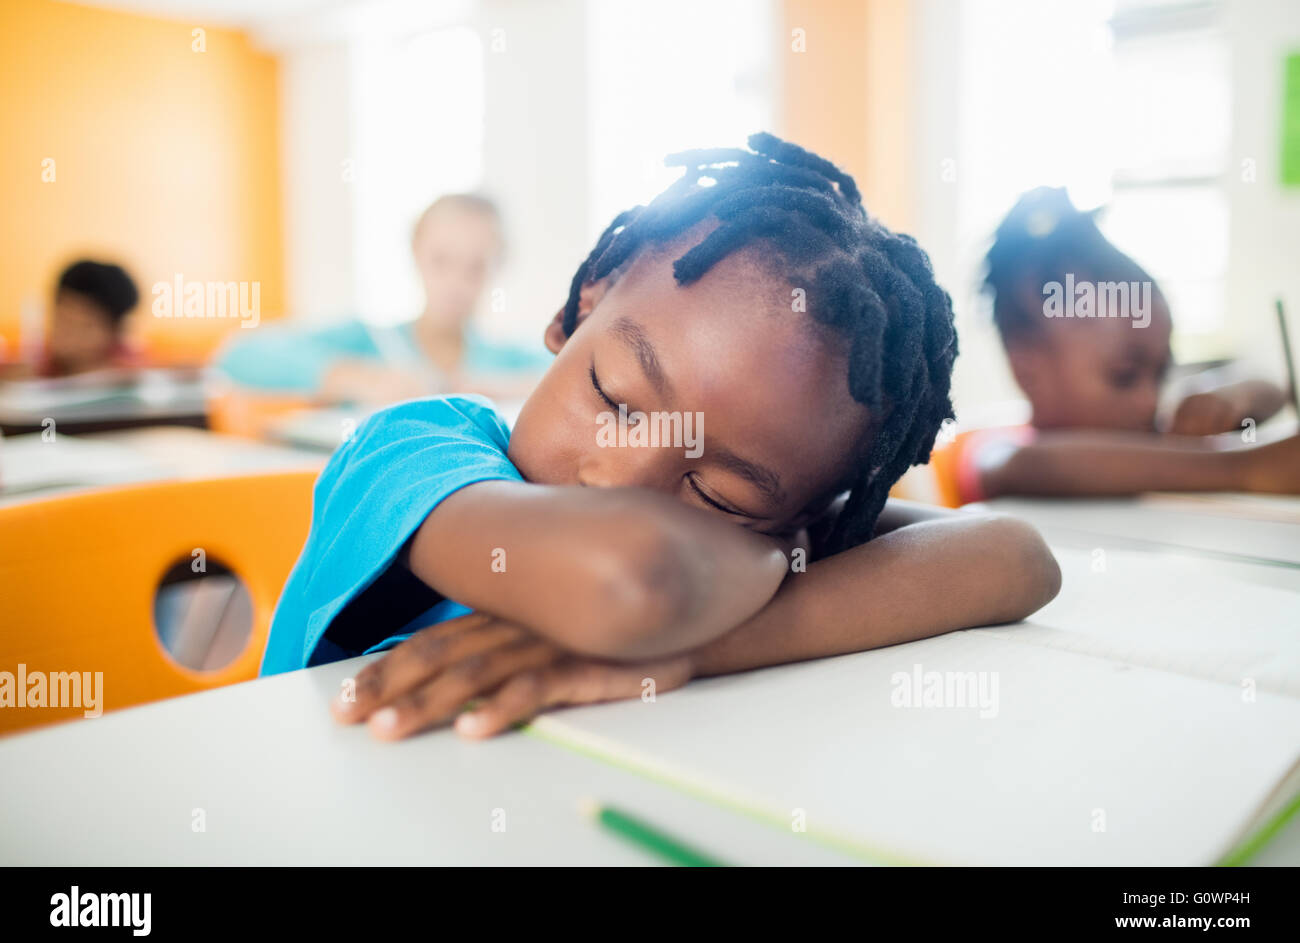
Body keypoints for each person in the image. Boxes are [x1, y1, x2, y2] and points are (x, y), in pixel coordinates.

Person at [261, 133, 1063, 743]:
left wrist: (694, 649)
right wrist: (762, 555)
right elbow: (631, 575)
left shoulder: (775, 519)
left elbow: (1016, 558)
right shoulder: (412, 448)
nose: (621, 478)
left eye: (719, 492)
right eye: (615, 398)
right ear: (580, 304)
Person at [931, 187, 1297, 504]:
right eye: (1124, 376)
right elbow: (1040, 466)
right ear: (1026, 365)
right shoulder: (1000, 453)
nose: (1151, 399)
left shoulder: (1145, 430)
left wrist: (1230, 398)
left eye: (1161, 373)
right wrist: (1247, 467)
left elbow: (1270, 389)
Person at [214, 193, 547, 404]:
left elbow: (572, 375)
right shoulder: (368, 342)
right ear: (416, 252)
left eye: (475, 268)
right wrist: (357, 379)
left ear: (498, 266)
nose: (455, 283)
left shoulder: (505, 359)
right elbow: (238, 354)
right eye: (441, 261)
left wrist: (495, 389)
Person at [39, 259, 141, 377]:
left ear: (115, 331)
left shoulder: (129, 379)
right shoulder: (37, 373)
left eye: (84, 327)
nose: (67, 336)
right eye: (62, 320)